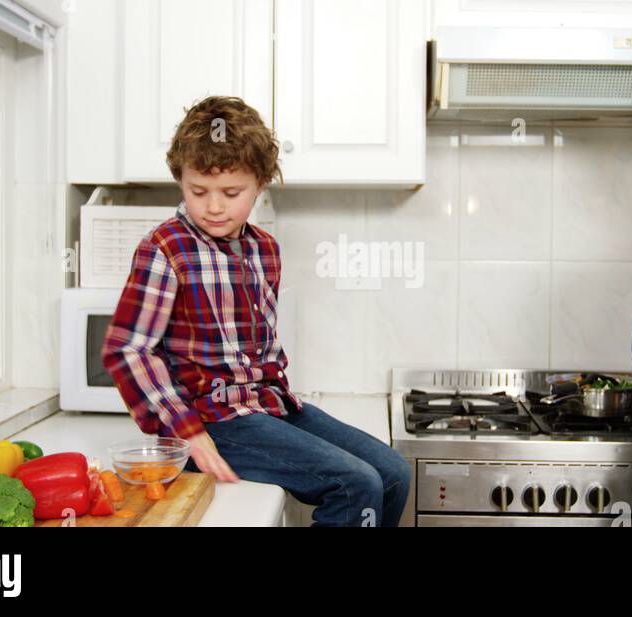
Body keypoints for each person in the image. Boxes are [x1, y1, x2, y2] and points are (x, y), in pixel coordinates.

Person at [101, 96, 411, 527]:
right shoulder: (165, 248)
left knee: (394, 473)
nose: (213, 206)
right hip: (213, 419)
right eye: (197, 191)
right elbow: (127, 350)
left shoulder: (265, 249)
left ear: (260, 184)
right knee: (355, 483)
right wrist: (189, 433)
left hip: (267, 405)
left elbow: (256, 346)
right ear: (180, 180)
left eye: (231, 192)